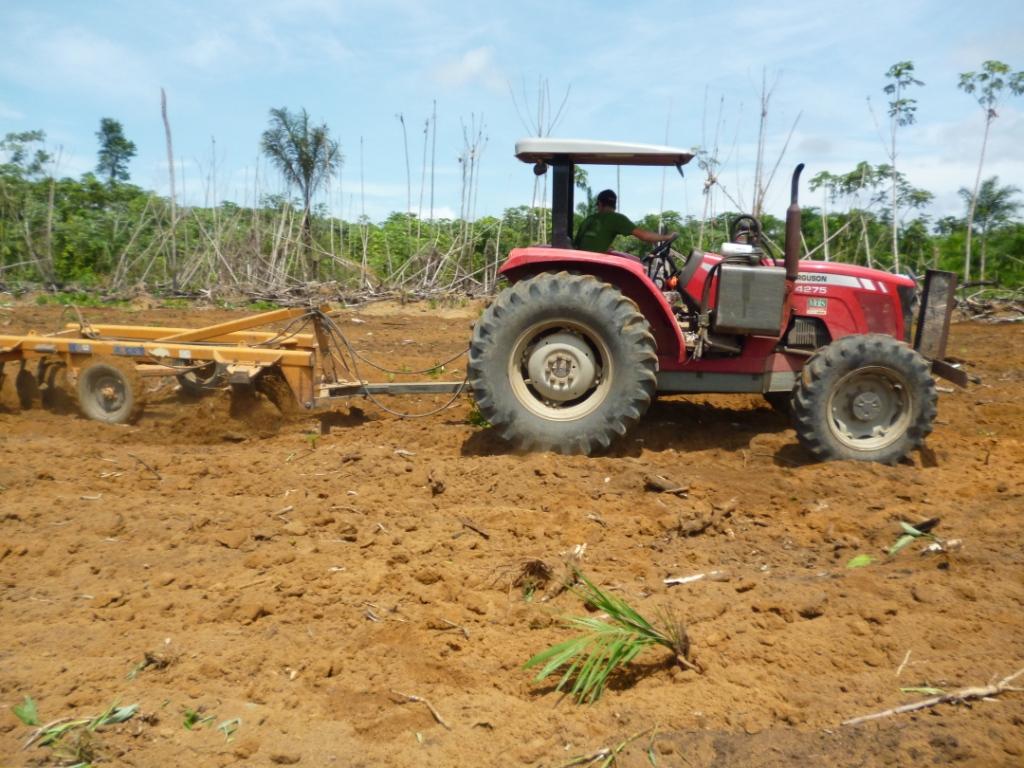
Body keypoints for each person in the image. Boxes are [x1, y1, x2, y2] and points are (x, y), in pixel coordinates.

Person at [574, 189, 676, 254]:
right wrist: (667, 237)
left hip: (581, 261)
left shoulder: (588, 219)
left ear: (600, 204)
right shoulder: (616, 218)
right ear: (614, 205)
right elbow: (644, 236)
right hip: (594, 265)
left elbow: (578, 245)